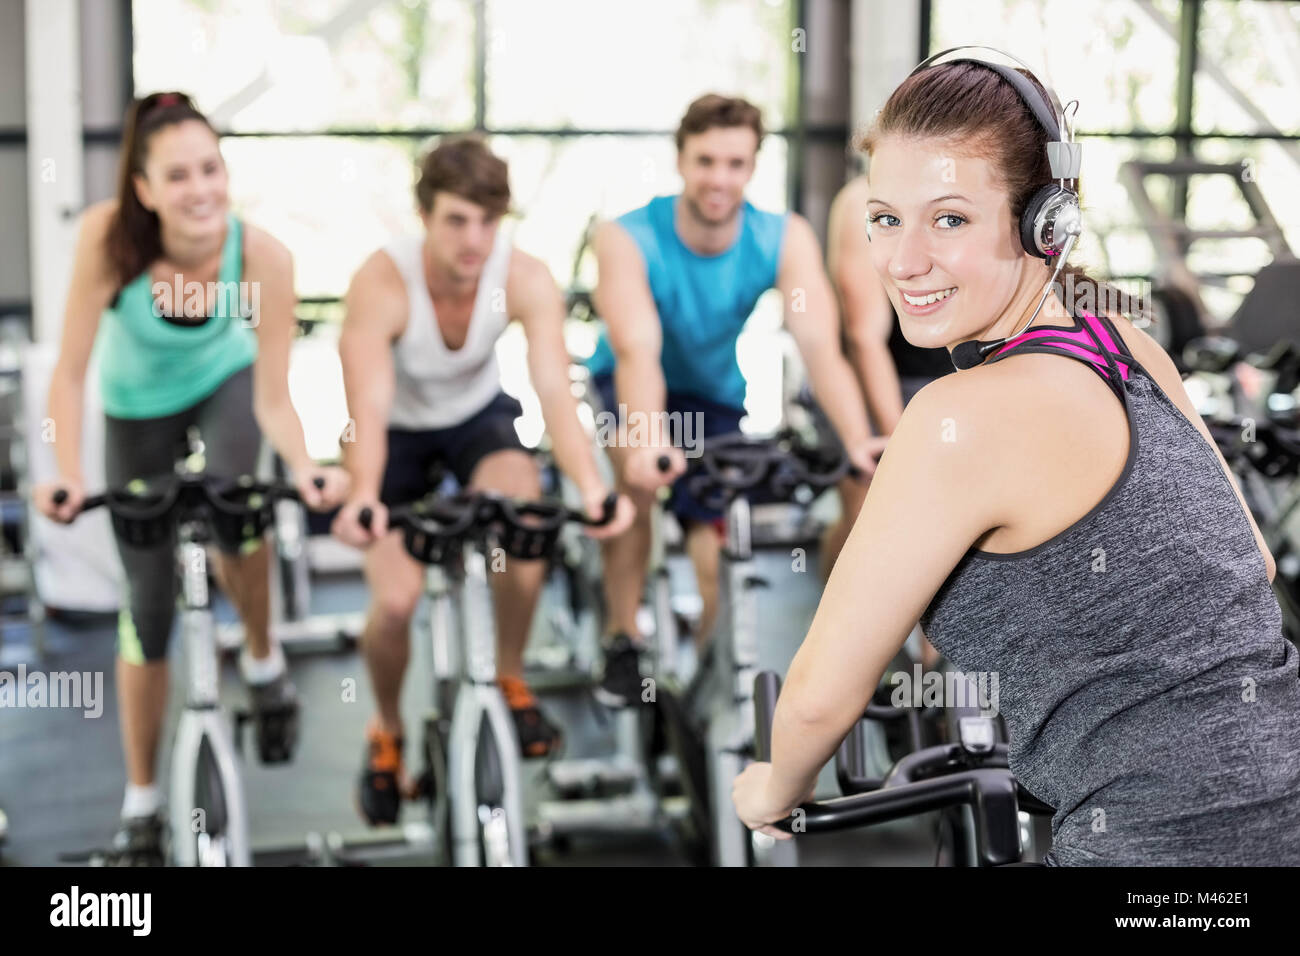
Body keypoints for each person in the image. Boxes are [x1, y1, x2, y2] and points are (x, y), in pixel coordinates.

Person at [732, 50, 1300, 865]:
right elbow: (1255, 564)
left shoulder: (955, 417)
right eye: (886, 219)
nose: (903, 260)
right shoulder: (1129, 346)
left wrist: (769, 789)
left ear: (1047, 224)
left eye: (950, 219)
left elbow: (820, 700)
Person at [33, 92, 348, 864]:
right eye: (178, 176)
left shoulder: (262, 257)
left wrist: (306, 469)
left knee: (243, 506)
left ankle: (265, 660)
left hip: (225, 387)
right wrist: (67, 475)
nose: (200, 189)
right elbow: (68, 375)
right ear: (143, 189)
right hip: (135, 411)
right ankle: (141, 803)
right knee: (145, 606)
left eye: (211, 168)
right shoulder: (108, 241)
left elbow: (275, 396)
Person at [329, 135, 634, 825]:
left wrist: (591, 488)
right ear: (424, 214)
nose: (474, 240)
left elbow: (555, 391)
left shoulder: (523, 275)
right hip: (395, 435)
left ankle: (509, 674)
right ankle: (386, 729)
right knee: (398, 602)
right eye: (456, 221)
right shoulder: (380, 281)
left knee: (525, 524)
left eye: (487, 222)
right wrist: (366, 496)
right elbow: (369, 407)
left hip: (476, 421)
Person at [588, 94, 887, 707]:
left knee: (716, 555)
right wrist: (647, 441)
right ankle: (622, 634)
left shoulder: (782, 237)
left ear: (753, 166)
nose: (719, 178)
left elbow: (821, 349)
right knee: (637, 481)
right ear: (680, 160)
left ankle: (701, 683)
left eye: (734, 163)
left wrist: (859, 442)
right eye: (705, 161)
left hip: (711, 396)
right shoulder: (626, 236)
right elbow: (638, 353)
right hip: (628, 385)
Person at [821, 170, 954, 576]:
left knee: (950, 529)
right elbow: (864, 337)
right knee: (870, 519)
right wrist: (901, 446)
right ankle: (840, 627)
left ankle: (938, 641)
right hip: (866, 379)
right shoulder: (859, 202)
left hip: (949, 378)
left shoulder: (964, 194)